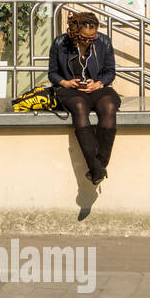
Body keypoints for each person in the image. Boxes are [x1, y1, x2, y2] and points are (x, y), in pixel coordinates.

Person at [48, 11, 120, 183]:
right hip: (71, 90)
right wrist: (66, 82)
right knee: (79, 107)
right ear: (75, 33)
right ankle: (96, 167)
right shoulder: (60, 43)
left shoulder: (103, 41)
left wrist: (99, 83)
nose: (89, 41)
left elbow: (110, 71)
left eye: (93, 37)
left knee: (109, 106)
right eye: (84, 38)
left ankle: (98, 166)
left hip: (96, 88)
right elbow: (52, 73)